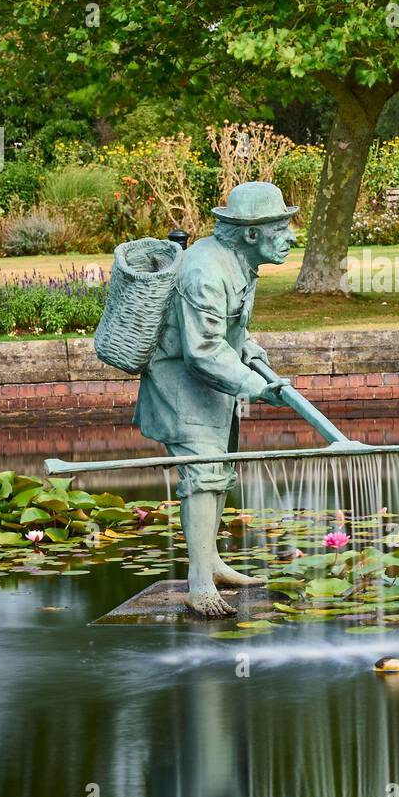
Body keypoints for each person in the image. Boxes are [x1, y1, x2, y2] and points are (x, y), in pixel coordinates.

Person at [134, 182, 297, 616]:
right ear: (250, 233)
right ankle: (199, 582)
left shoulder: (242, 263)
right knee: (203, 474)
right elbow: (203, 348)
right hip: (180, 380)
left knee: (219, 467)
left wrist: (252, 352)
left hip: (211, 380)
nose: (292, 236)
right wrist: (258, 388)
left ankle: (213, 562)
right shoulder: (206, 269)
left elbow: (231, 331)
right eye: (281, 228)